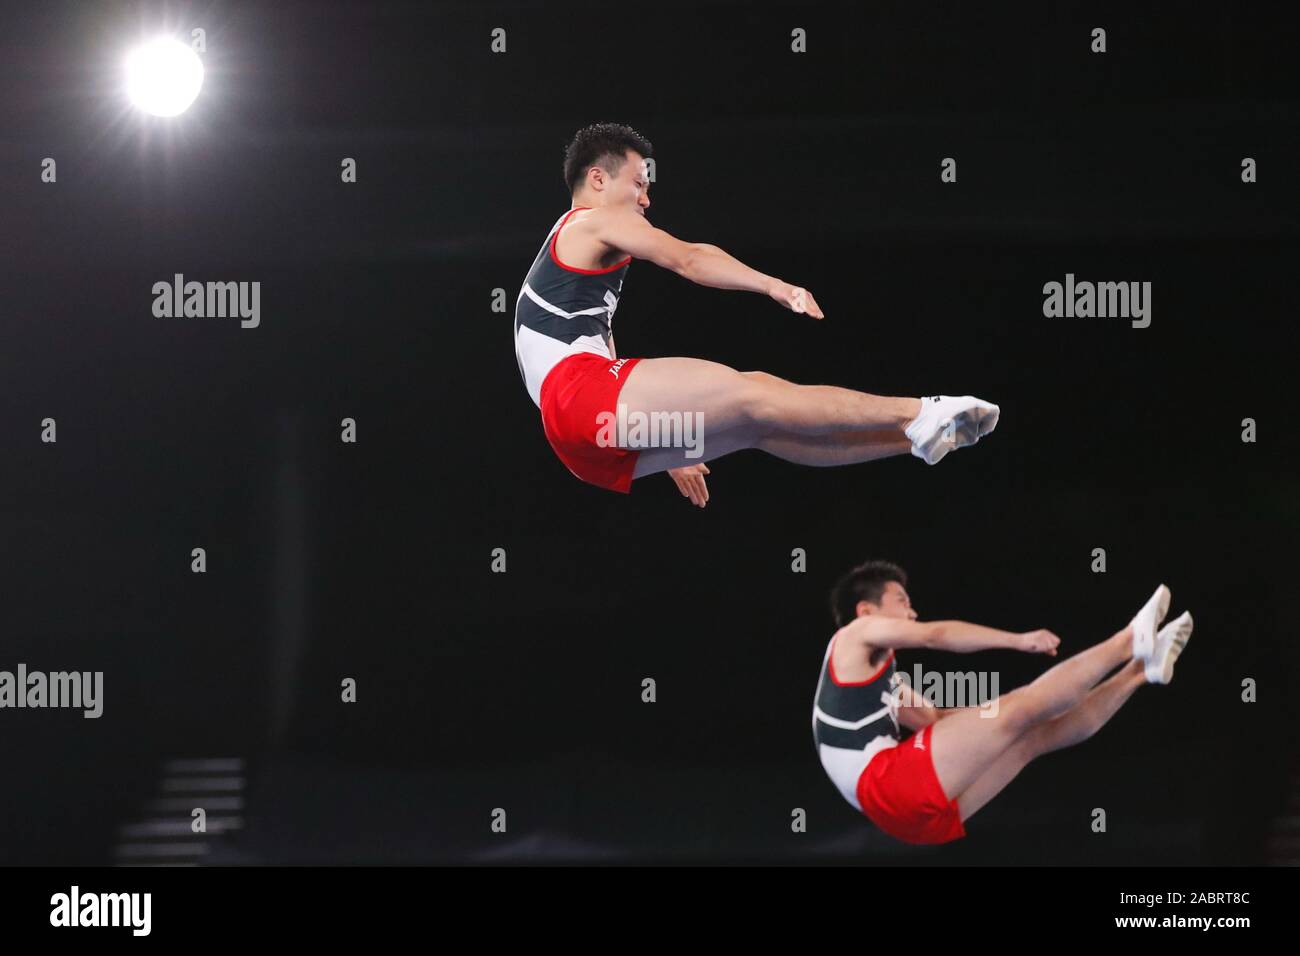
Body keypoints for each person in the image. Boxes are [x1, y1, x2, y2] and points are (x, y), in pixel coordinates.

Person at [514, 123, 999, 505]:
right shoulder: (594, 220)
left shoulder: (562, 251)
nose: (646, 197)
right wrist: (773, 285)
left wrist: (663, 442)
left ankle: (910, 440)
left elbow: (591, 350)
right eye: (639, 183)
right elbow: (688, 256)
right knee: (756, 391)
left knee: (759, 428)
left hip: (579, 441)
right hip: (580, 394)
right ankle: (918, 409)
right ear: (597, 178)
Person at [812, 560, 1193, 844]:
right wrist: (1017, 640)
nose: (912, 611)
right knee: (1023, 708)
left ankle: (1141, 669)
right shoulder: (853, 634)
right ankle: (1128, 640)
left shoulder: (881, 680)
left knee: (1031, 736)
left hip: (905, 820)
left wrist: (993, 713)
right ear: (866, 610)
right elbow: (934, 635)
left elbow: (932, 719)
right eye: (902, 601)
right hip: (886, 785)